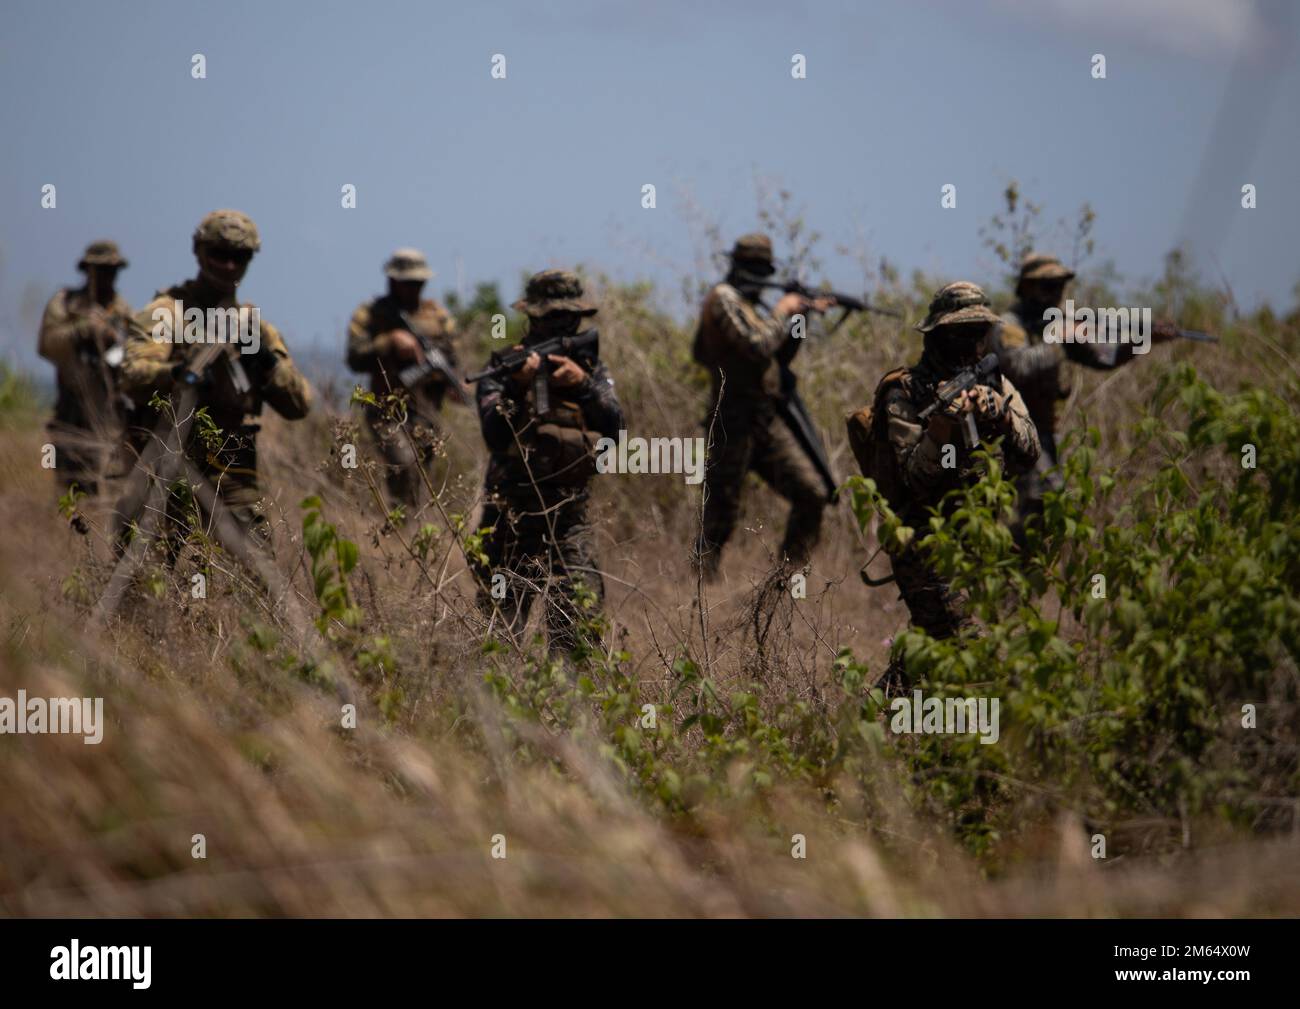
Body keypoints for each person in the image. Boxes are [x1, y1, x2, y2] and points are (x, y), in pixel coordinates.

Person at [849, 282, 1040, 691]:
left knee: (930, 650)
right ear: (937, 334)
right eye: (961, 332)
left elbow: (1030, 454)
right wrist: (942, 427)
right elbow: (914, 480)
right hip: (924, 543)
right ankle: (968, 742)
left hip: (981, 538)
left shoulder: (997, 384)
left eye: (978, 331)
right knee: (971, 649)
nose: (971, 342)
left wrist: (1002, 417)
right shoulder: (903, 394)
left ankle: (880, 717)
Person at [118, 209, 312, 555]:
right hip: (165, 462)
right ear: (199, 251)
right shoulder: (168, 312)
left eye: (239, 256)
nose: (228, 265)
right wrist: (177, 374)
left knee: (259, 573)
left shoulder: (255, 327)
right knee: (146, 576)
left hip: (232, 469)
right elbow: (132, 376)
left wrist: (265, 362)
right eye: (219, 254)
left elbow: (299, 404)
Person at [472, 270, 623, 656]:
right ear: (532, 318)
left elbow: (615, 429)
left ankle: (568, 711)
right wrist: (518, 386)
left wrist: (582, 386)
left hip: (569, 516)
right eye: (551, 319)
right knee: (499, 631)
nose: (561, 326)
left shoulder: (589, 369)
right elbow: (494, 435)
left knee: (577, 623)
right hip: (510, 515)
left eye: (570, 320)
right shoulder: (503, 369)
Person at [987, 252, 1167, 544]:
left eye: (1059, 287)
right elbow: (1017, 367)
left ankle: (1019, 573)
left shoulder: (1053, 326)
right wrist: (1059, 338)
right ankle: (1002, 573)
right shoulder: (1010, 326)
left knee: (1046, 509)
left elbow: (1103, 358)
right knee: (1032, 507)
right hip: (1010, 435)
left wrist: (1143, 340)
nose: (1055, 295)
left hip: (1043, 434)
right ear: (1027, 287)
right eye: (1047, 287)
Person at [692, 232, 835, 579]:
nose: (762, 277)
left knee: (812, 494)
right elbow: (756, 345)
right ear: (738, 267)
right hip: (731, 422)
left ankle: (782, 585)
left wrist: (801, 318)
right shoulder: (724, 299)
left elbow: (780, 355)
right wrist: (782, 310)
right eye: (755, 268)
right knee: (721, 516)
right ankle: (699, 594)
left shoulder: (750, 306)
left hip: (767, 420)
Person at [346, 248, 461, 510]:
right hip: (386, 412)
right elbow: (355, 357)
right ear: (392, 281)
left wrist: (453, 382)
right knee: (404, 464)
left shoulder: (438, 316)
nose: (414, 289)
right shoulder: (370, 314)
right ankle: (402, 529)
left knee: (421, 480)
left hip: (427, 414)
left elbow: (452, 357)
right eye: (408, 283)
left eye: (419, 283)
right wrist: (389, 341)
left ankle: (408, 537)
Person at [37, 240, 134, 519]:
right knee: (70, 489)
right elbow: (47, 344)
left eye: (112, 271)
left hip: (111, 414)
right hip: (71, 411)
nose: (106, 277)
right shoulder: (66, 304)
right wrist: (83, 331)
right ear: (88, 270)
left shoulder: (123, 311)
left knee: (109, 488)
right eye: (100, 270)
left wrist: (115, 338)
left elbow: (135, 357)